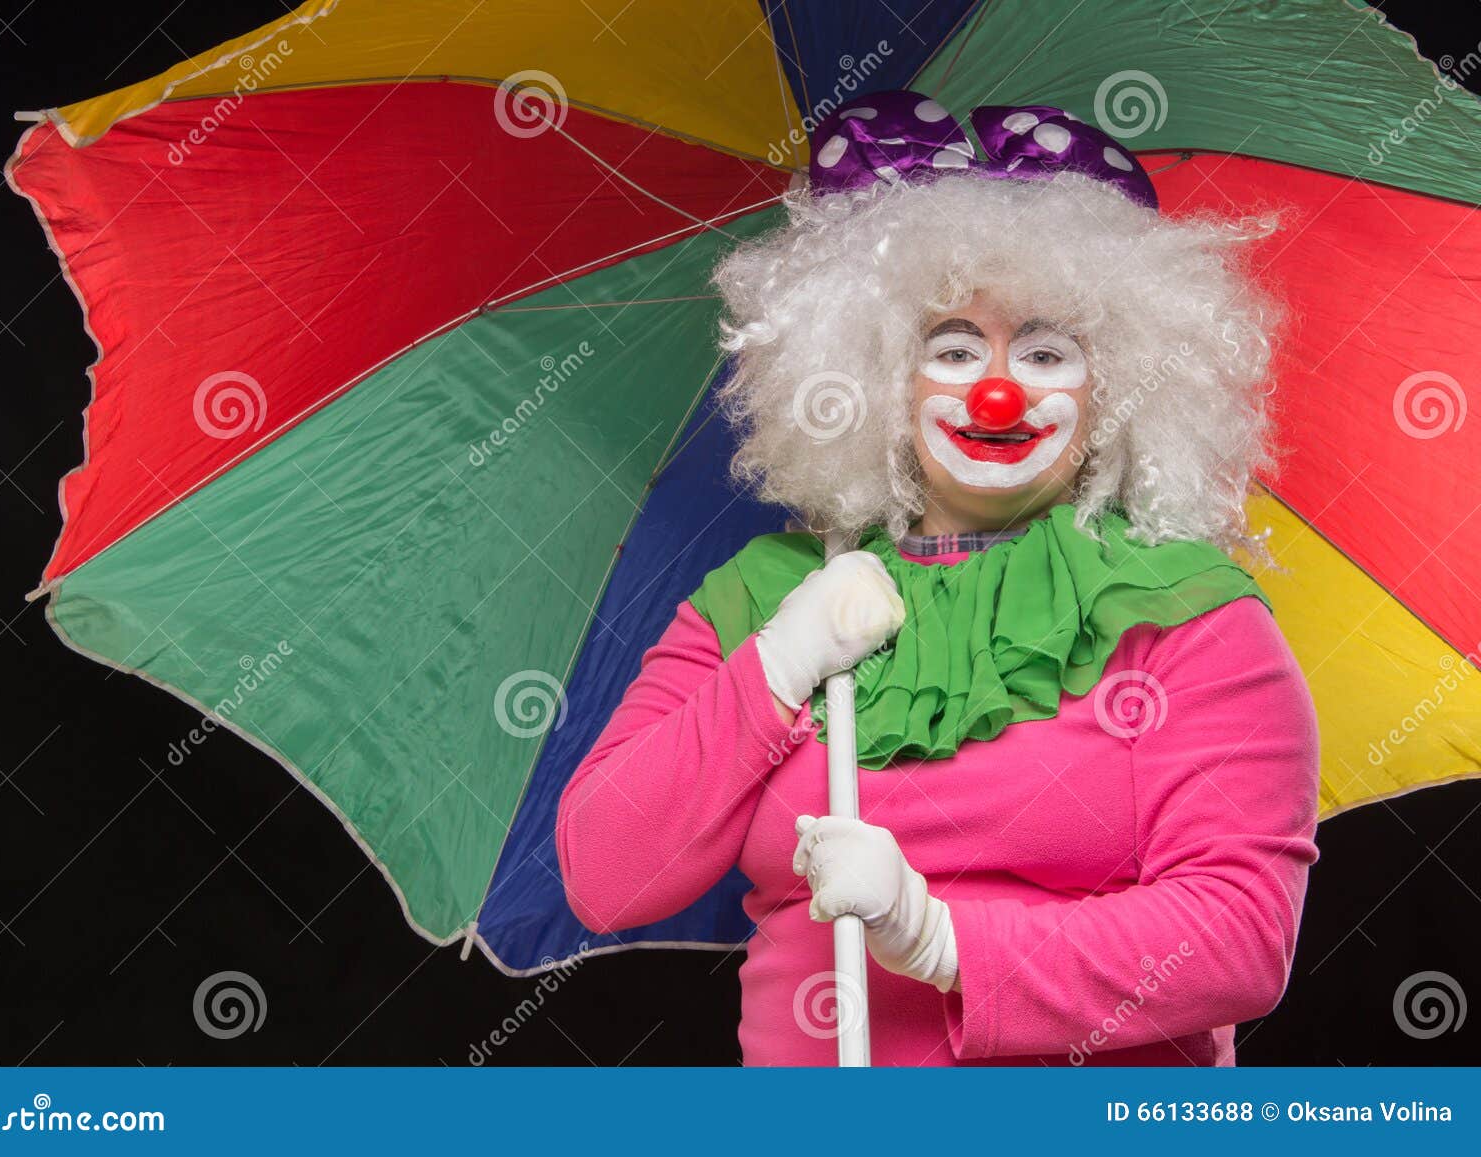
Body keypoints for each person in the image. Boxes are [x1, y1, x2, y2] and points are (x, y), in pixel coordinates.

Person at [554, 91, 1320, 1066]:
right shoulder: (766, 593)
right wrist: (780, 664)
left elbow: (1240, 936)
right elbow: (605, 875)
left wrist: (941, 940)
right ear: (876, 373)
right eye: (951, 347)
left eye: (1045, 349)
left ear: (1114, 386)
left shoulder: (1178, 605)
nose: (995, 389)